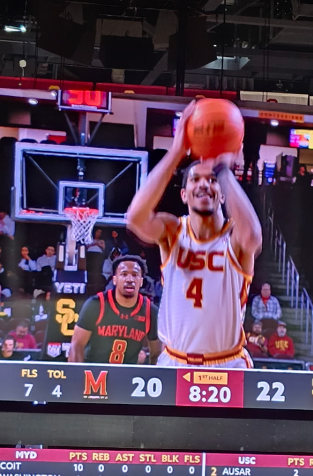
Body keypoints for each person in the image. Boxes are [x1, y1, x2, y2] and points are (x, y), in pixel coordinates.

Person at [126, 100, 263, 370]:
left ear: (222, 193)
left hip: (227, 363)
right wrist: (177, 151)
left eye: (211, 180)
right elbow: (135, 218)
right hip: (174, 361)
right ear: (184, 194)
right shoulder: (173, 231)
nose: (204, 184)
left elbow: (253, 237)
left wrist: (223, 170)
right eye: (195, 180)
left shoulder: (234, 237)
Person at [70, 255, 161, 364]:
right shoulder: (96, 304)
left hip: (127, 372)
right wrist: (77, 373)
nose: (130, 280)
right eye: (124, 274)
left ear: (141, 281)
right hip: (94, 369)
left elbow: (157, 353)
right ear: (114, 279)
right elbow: (77, 345)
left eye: (135, 275)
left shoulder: (150, 311)